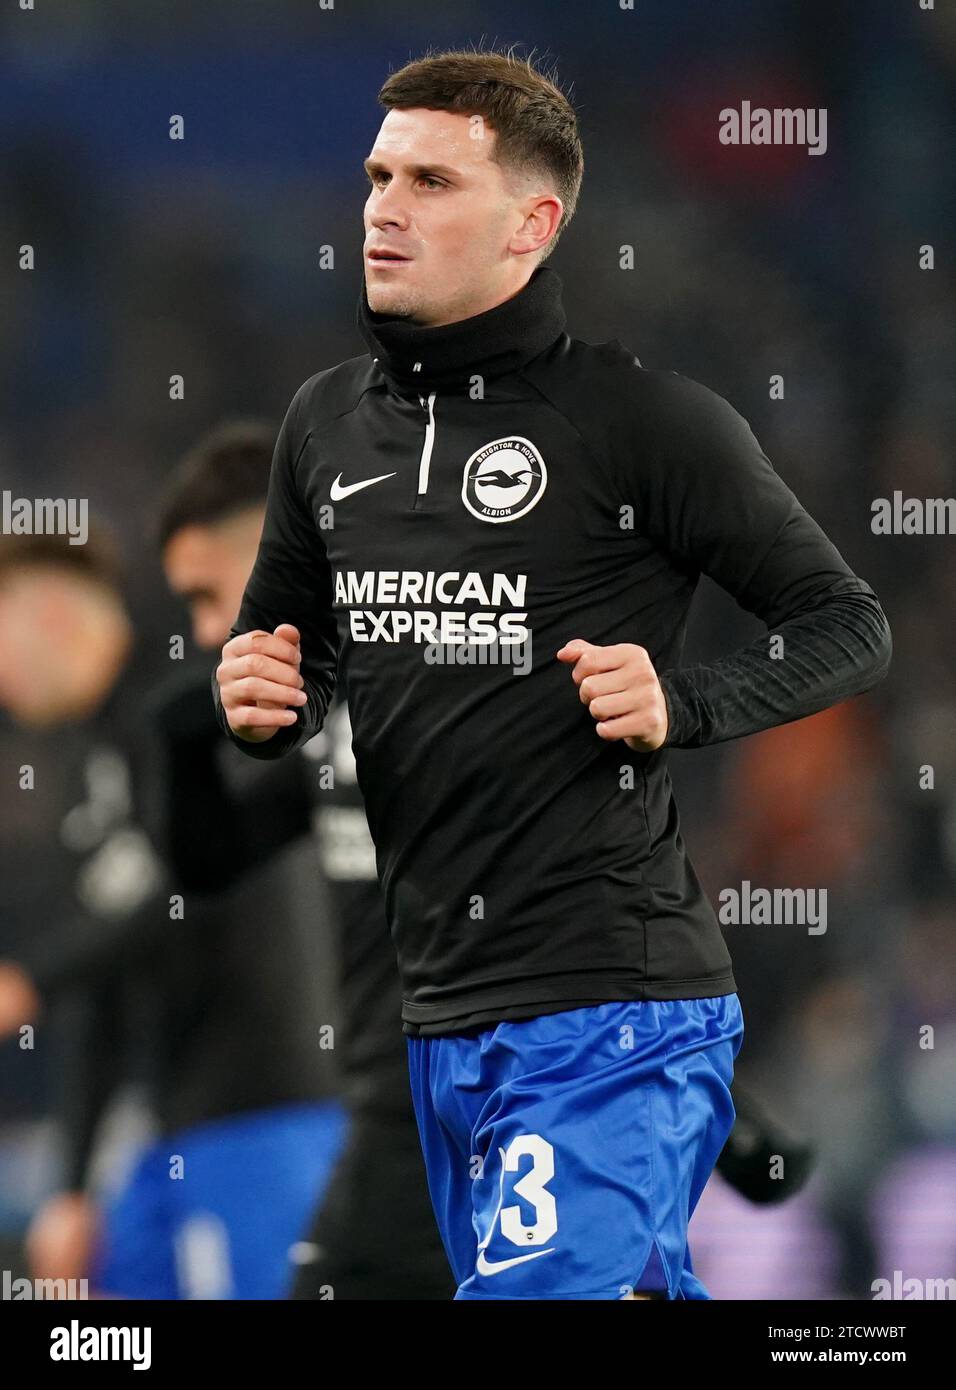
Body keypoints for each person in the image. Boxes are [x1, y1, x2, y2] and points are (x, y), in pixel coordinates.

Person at [212, 48, 892, 1300]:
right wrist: (257, 701)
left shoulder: (642, 422)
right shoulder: (321, 426)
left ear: (532, 225)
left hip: (609, 1010)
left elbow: (844, 622)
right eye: (375, 174)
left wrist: (683, 703)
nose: (381, 206)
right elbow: (282, 659)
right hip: (440, 1025)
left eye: (428, 179)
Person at [0, 530, 346, 1299]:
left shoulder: (190, 709)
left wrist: (31, 981)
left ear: (48, 614)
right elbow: (108, 971)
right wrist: (73, 1185)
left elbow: (183, 893)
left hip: (265, 1113)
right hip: (169, 1133)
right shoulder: (89, 765)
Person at [156, 421, 453, 1298]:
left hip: (487, 1097)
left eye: (211, 595)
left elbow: (589, 870)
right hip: (391, 1107)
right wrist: (178, 736)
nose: (209, 629)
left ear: (273, 546)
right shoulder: (321, 707)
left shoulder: (435, 661)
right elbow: (215, 860)